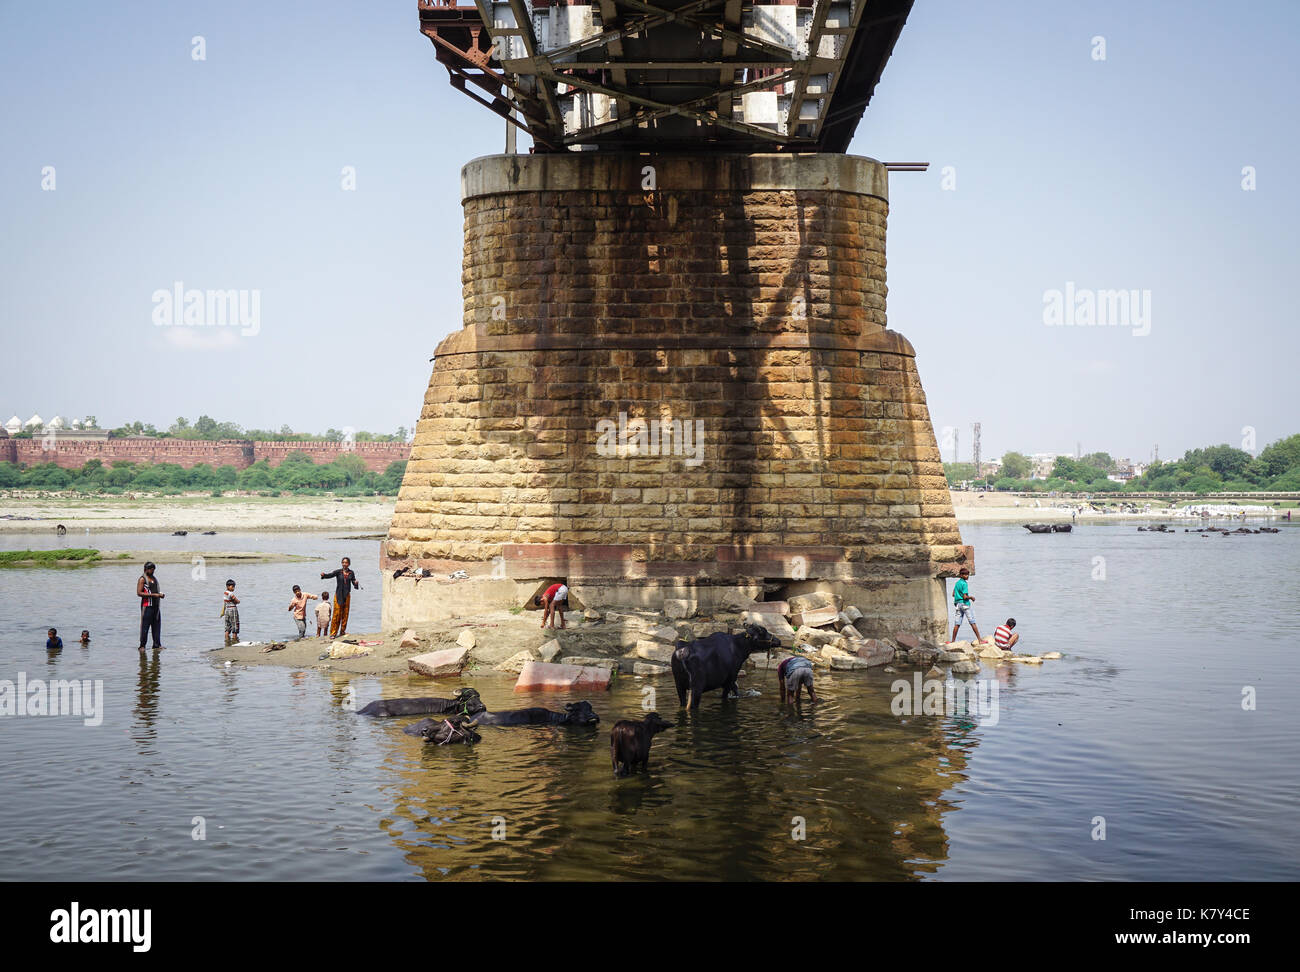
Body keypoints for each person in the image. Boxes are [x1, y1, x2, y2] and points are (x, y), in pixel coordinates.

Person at [321, 557, 360, 638]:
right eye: (343, 562)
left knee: (345, 614)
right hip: (338, 595)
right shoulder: (338, 572)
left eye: (346, 563)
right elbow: (330, 575)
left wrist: (356, 583)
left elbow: (353, 582)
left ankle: (342, 631)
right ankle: (333, 633)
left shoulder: (351, 572)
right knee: (336, 614)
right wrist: (324, 575)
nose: (344, 564)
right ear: (341, 563)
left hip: (347, 595)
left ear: (349, 564)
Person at [948, 567, 985, 644]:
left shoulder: (957, 583)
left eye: (968, 575)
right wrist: (971, 597)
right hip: (965, 605)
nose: (967, 576)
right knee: (972, 622)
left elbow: (953, 594)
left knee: (957, 624)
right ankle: (980, 640)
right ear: (961, 575)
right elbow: (965, 597)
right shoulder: (964, 584)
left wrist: (959, 596)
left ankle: (953, 641)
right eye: (965, 575)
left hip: (958, 605)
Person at [137, 562, 165, 652]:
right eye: (151, 569)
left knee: (156, 626)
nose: (152, 571)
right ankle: (142, 646)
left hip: (156, 606)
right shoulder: (142, 579)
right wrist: (154, 595)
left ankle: (156, 645)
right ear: (146, 569)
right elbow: (139, 593)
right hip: (147, 606)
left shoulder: (154, 578)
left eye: (153, 569)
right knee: (145, 626)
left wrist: (159, 595)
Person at [222, 579, 241, 646]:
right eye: (232, 586)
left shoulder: (225, 593)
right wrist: (238, 601)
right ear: (228, 586)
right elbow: (237, 601)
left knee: (227, 627)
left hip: (227, 610)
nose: (233, 588)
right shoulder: (230, 594)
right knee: (235, 627)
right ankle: (234, 642)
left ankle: (227, 641)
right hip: (233, 610)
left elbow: (225, 603)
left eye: (234, 586)